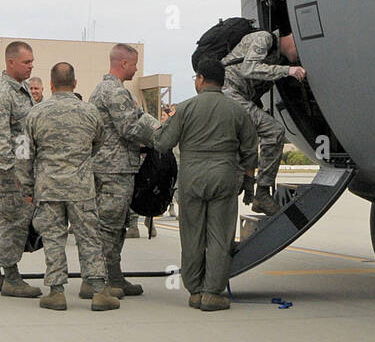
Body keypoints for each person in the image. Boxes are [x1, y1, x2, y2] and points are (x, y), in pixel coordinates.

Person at [154, 58, 257, 311]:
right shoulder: (236, 110)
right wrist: (248, 178)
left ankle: (195, 291)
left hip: (192, 180)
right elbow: (250, 150)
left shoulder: (186, 108)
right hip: (224, 178)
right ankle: (213, 292)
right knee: (220, 237)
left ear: (200, 79)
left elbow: (163, 143)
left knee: (192, 236)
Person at [19, 62, 118, 312]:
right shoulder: (90, 112)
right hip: (81, 187)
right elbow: (98, 143)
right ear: (75, 84)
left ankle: (56, 291)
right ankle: (98, 290)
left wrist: (28, 187)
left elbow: (22, 153)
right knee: (89, 238)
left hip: (48, 187)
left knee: (53, 238)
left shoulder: (35, 113)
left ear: (50, 85)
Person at [89, 43, 160, 295]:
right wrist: (160, 137)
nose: (137, 68)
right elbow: (130, 128)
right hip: (113, 168)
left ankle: (113, 276)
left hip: (114, 166)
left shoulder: (109, 89)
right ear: (123, 64)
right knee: (108, 225)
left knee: (115, 225)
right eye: (134, 63)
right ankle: (100, 279)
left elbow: (136, 118)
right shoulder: (114, 92)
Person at [0, 41, 40, 299]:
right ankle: (11, 278)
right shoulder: (3, 92)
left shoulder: (22, 89)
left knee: (13, 224)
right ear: (10, 62)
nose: (31, 66)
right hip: (10, 173)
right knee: (12, 224)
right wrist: (13, 175)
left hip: (22, 169)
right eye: (26, 62)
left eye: (32, 62)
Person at [222, 27, 305, 215]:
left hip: (237, 96)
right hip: (229, 93)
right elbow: (249, 68)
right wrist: (288, 70)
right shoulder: (264, 38)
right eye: (299, 51)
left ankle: (253, 188)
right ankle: (262, 193)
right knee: (274, 131)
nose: (299, 57)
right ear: (291, 38)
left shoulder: (276, 55)